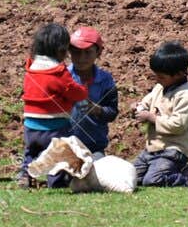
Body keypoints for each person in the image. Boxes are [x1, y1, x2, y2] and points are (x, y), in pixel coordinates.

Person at [130, 41, 188, 187]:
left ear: (180, 74)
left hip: (173, 150)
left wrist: (151, 117)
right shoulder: (160, 87)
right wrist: (138, 107)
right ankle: (166, 171)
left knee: (153, 180)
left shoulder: (187, 95)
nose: (157, 80)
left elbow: (178, 125)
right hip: (152, 149)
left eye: (161, 77)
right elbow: (147, 102)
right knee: (130, 177)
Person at [20, 23, 89, 187]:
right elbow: (73, 92)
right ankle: (56, 182)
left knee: (31, 152)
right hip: (55, 127)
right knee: (58, 155)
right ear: (60, 50)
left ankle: (25, 176)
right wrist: (84, 90)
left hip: (30, 125)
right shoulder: (58, 72)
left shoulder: (31, 69)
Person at [66, 26, 119, 155]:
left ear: (98, 53)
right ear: (69, 52)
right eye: (76, 52)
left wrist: (98, 110)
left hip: (93, 146)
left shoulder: (105, 80)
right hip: (64, 144)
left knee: (96, 172)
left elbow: (112, 112)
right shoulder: (63, 76)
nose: (81, 58)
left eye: (88, 52)